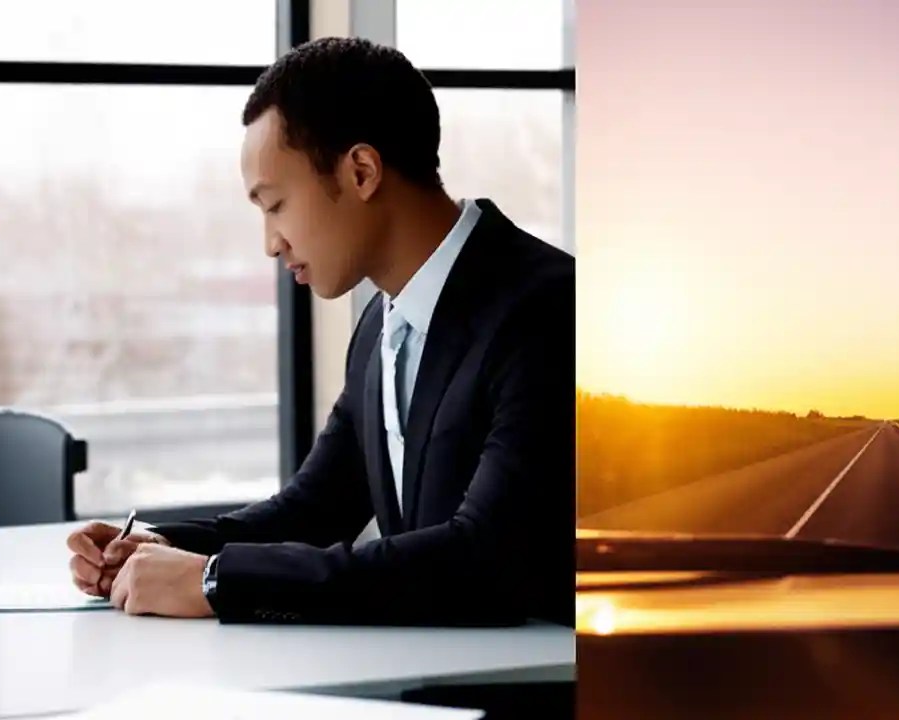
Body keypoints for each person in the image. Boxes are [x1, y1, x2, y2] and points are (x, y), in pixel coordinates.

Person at [65, 37, 574, 627]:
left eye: (275, 204)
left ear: (361, 171)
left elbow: (482, 557)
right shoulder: (382, 326)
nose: (270, 242)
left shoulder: (547, 309)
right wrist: (157, 546)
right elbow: (312, 510)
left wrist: (214, 580)